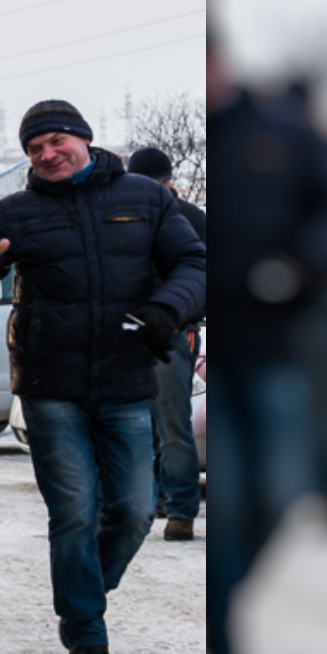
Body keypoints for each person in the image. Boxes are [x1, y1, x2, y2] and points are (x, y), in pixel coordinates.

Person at [0, 100, 204, 654]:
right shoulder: (17, 212)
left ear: (84, 139)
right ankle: (87, 636)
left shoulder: (145, 198)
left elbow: (194, 262)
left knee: (135, 511)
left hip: (126, 379)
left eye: (56, 141)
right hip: (50, 386)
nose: (47, 154)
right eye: (35, 149)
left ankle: (86, 589)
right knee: (75, 514)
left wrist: (167, 309)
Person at [208, 41, 327, 654]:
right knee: (224, 508)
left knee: (282, 494)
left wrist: (302, 262)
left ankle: (219, 603)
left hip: (278, 345)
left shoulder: (279, 135)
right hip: (217, 358)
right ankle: (223, 643)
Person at [127, 146, 205, 541]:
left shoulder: (187, 220)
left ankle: (179, 509)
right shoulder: (133, 219)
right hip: (142, 333)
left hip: (169, 333)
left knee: (166, 426)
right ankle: (168, 504)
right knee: (155, 426)